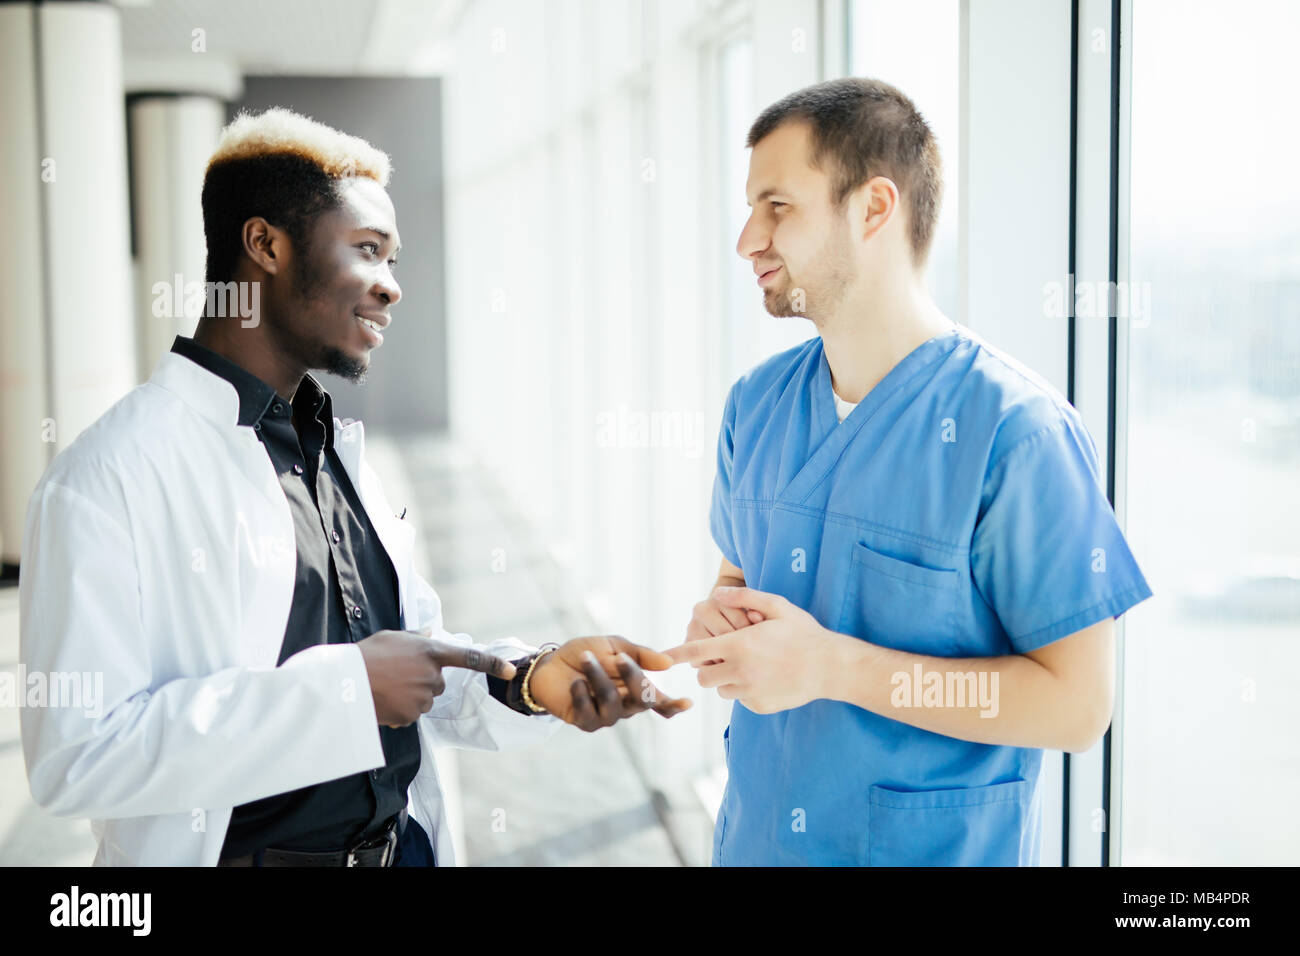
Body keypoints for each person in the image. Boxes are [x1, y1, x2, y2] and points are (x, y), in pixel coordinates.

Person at [19, 108, 689, 867]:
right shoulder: (105, 478)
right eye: (369, 251)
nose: (393, 287)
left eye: (394, 259)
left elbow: (410, 667)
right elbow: (76, 756)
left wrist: (528, 680)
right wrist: (346, 690)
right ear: (265, 245)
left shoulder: (332, 448)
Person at [666, 78, 1152, 866]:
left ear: (874, 208)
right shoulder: (754, 406)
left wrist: (831, 668)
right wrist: (720, 620)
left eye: (777, 206)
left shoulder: (1016, 433)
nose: (747, 238)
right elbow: (738, 579)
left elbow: (1076, 706)